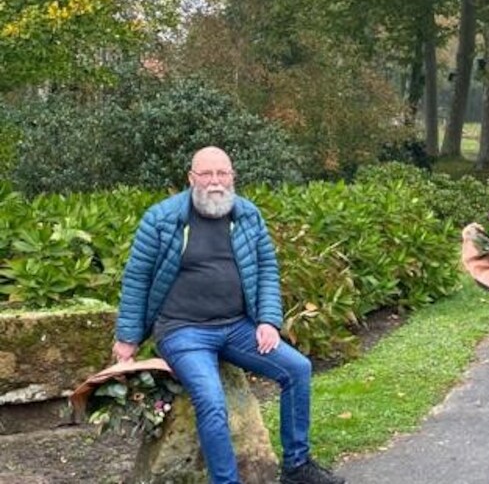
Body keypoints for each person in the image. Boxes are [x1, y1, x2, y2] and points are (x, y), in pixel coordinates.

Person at [112, 147, 343, 484]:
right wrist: (127, 339)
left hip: (237, 327)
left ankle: (296, 466)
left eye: (223, 174)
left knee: (297, 369)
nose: (215, 182)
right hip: (182, 331)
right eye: (207, 174)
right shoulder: (161, 219)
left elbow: (266, 269)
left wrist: (267, 321)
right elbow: (136, 279)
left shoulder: (248, 216)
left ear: (233, 177)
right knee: (211, 399)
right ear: (191, 178)